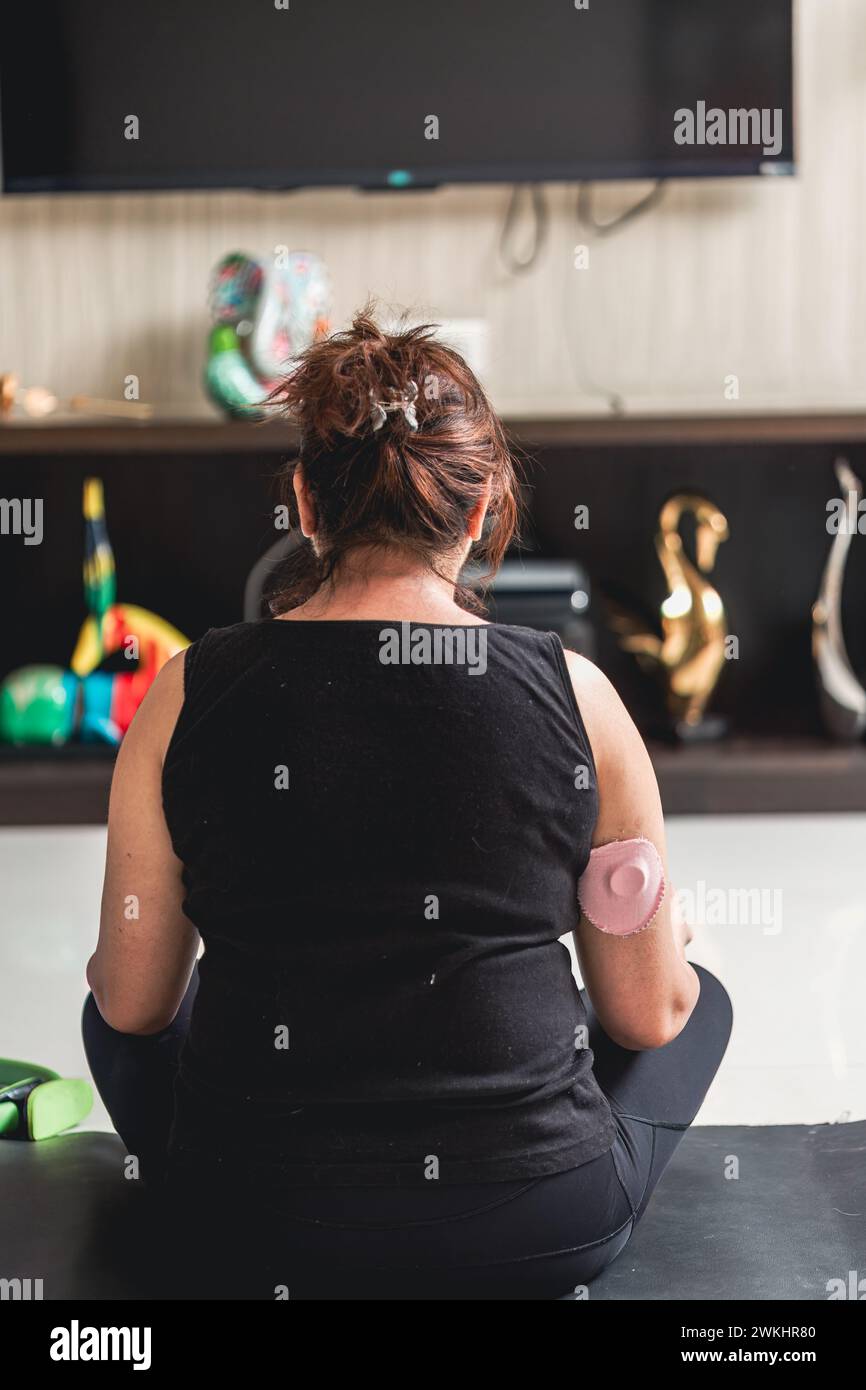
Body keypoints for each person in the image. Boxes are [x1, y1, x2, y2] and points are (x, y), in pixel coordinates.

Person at [83, 311, 732, 1300]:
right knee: (697, 1003)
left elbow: (134, 1004)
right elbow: (644, 1017)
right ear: (476, 515)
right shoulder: (579, 695)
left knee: (112, 1018)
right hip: (540, 1227)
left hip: (242, 1227)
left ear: (304, 502)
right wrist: (661, 941)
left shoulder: (181, 692)